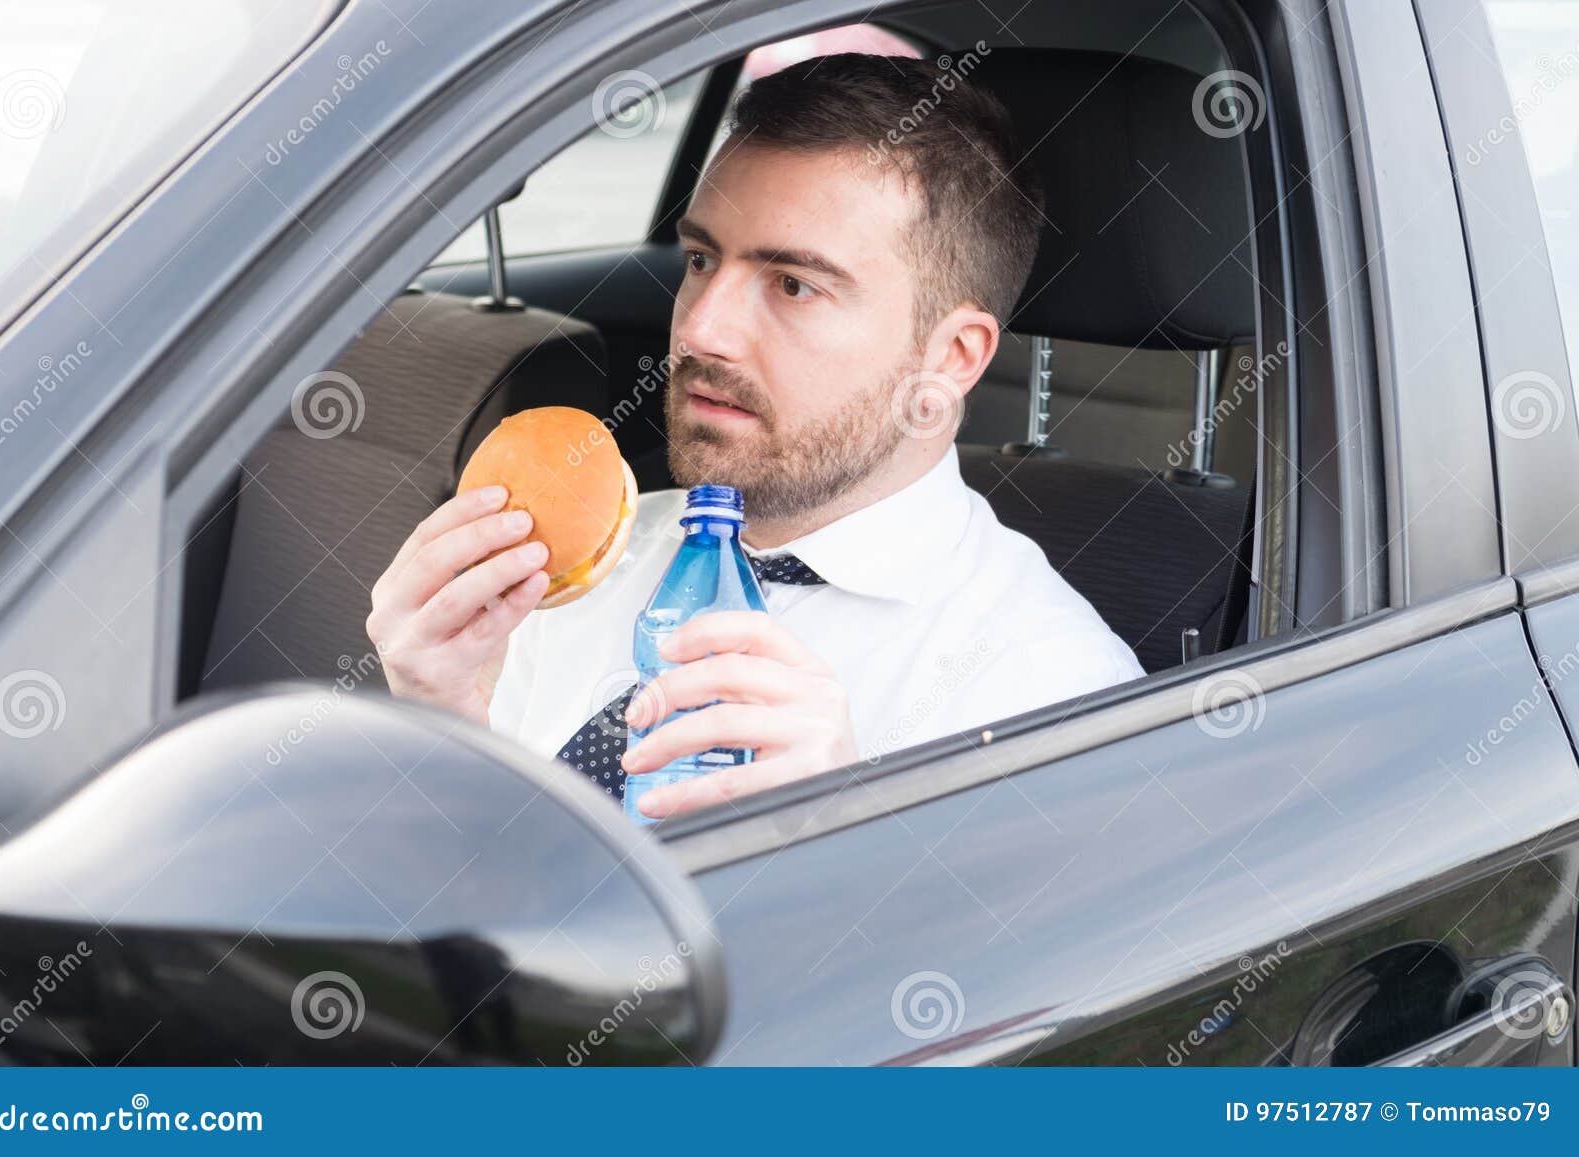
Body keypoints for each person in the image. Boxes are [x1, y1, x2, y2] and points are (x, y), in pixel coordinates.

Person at [366, 52, 1144, 822]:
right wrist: (449, 729)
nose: (702, 329)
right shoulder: (585, 557)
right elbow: (487, 909)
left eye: (794, 284)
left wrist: (838, 851)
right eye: (702, 259)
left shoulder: (1051, 695)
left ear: (952, 357)